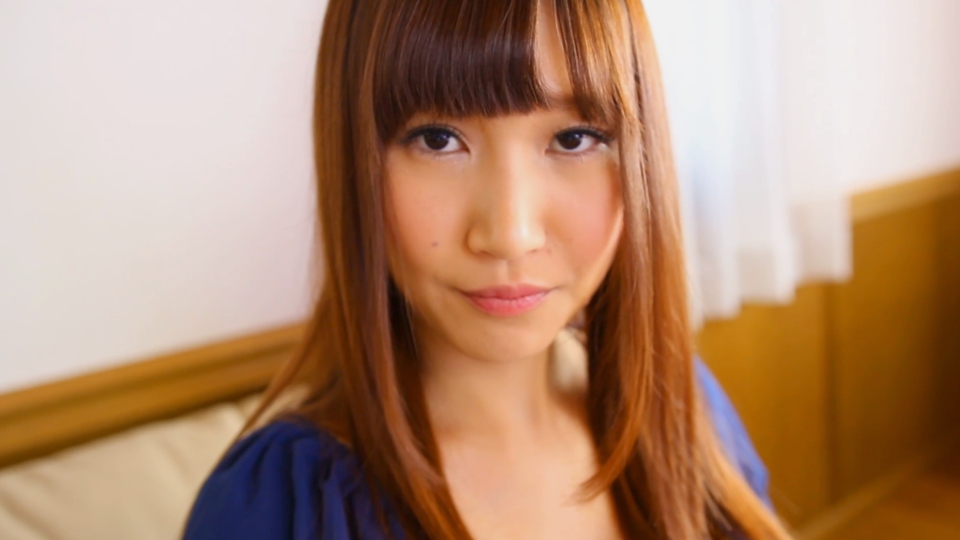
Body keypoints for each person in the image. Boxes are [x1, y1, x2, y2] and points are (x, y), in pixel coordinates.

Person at [183, 0, 792, 538]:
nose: (509, 234)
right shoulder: (280, 510)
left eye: (574, 139)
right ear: (354, 159)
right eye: (437, 140)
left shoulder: (681, 409)